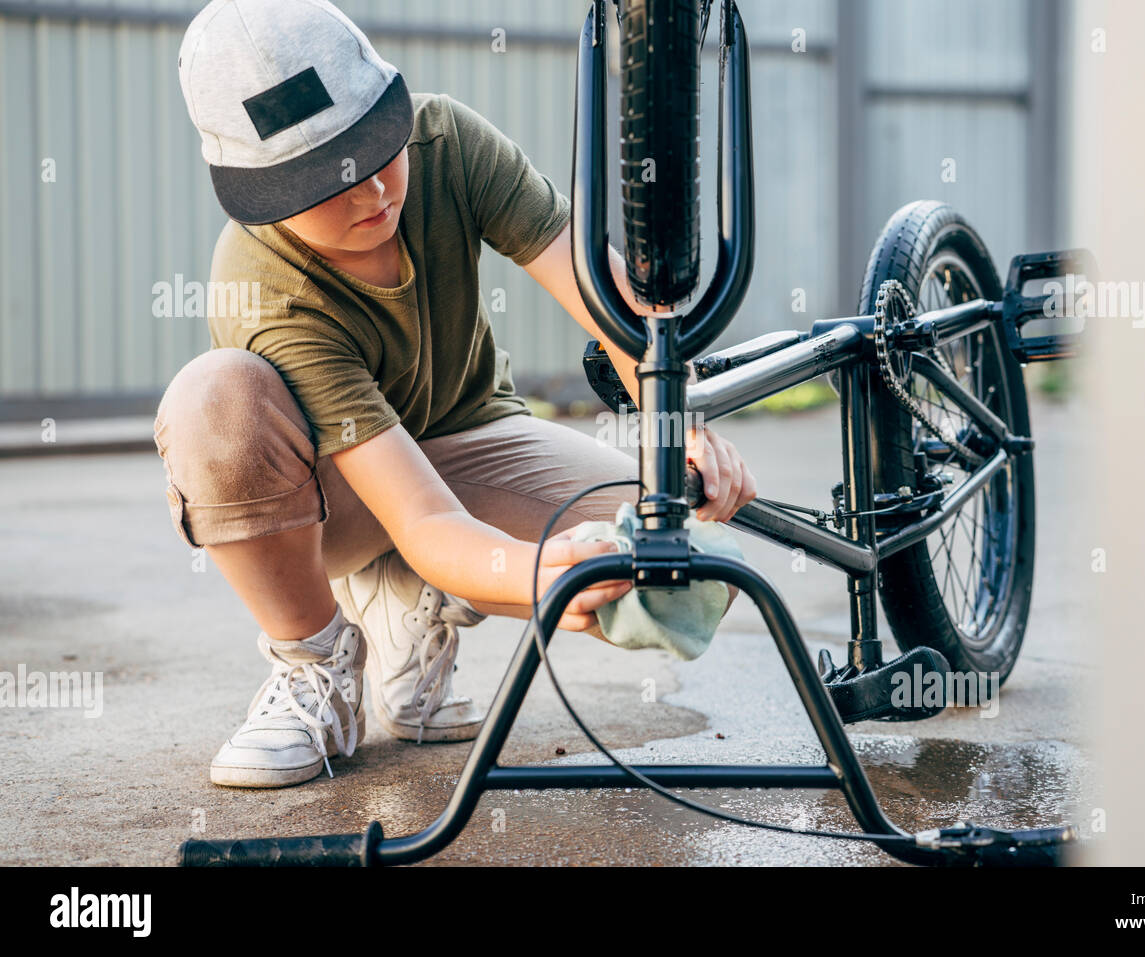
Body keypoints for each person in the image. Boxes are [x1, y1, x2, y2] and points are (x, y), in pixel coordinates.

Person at [155, 0, 758, 788]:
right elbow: (423, 514)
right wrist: (537, 574)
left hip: (474, 438)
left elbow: (596, 289)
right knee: (214, 401)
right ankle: (317, 661)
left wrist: (676, 422)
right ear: (260, 192)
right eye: (327, 182)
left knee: (683, 566)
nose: (371, 191)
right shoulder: (261, 285)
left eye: (377, 149)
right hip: (332, 498)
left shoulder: (447, 143)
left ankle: (410, 597)